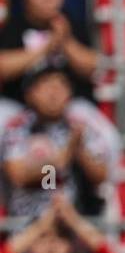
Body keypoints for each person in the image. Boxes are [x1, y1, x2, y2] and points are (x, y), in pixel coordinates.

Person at [2, 64, 110, 220]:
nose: (54, 92)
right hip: (28, 223)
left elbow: (100, 175)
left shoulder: (80, 126)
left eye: (61, 85)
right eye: (46, 85)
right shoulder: (18, 128)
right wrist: (61, 158)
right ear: (30, 94)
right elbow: (18, 174)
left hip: (73, 222)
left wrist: (80, 151)